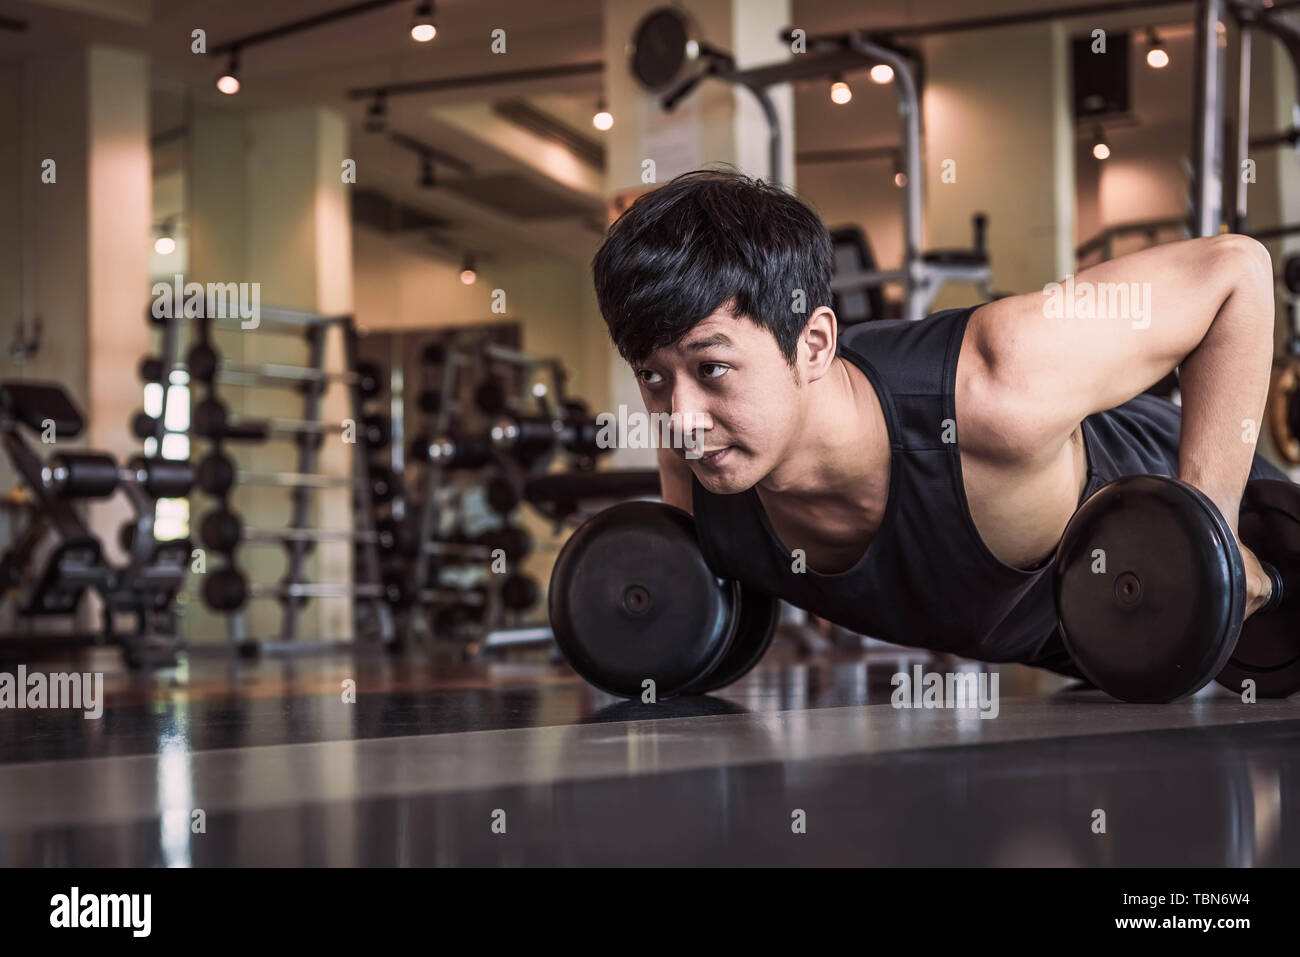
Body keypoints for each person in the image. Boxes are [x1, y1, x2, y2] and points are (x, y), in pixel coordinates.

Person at [591, 169, 1287, 678]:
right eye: (651, 376)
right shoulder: (700, 454)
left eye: (712, 369)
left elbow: (1238, 274)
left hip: (1271, 571)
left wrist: (1212, 540)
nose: (679, 420)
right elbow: (695, 616)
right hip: (1127, 672)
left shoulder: (997, 381)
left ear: (813, 344)